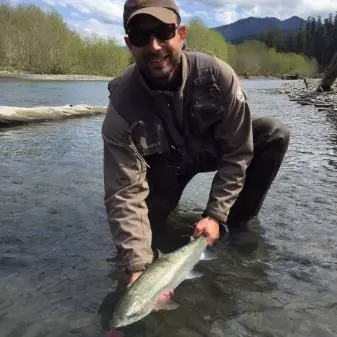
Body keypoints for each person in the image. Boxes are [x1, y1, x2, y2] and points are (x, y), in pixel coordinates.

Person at [101, 0, 290, 288]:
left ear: (181, 34)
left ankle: (233, 226)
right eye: (141, 37)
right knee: (139, 241)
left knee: (273, 133)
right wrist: (138, 266)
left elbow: (238, 152)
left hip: (214, 151)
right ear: (129, 44)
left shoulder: (218, 76)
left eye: (163, 32)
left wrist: (215, 213)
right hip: (166, 168)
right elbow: (124, 193)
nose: (154, 46)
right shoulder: (121, 108)